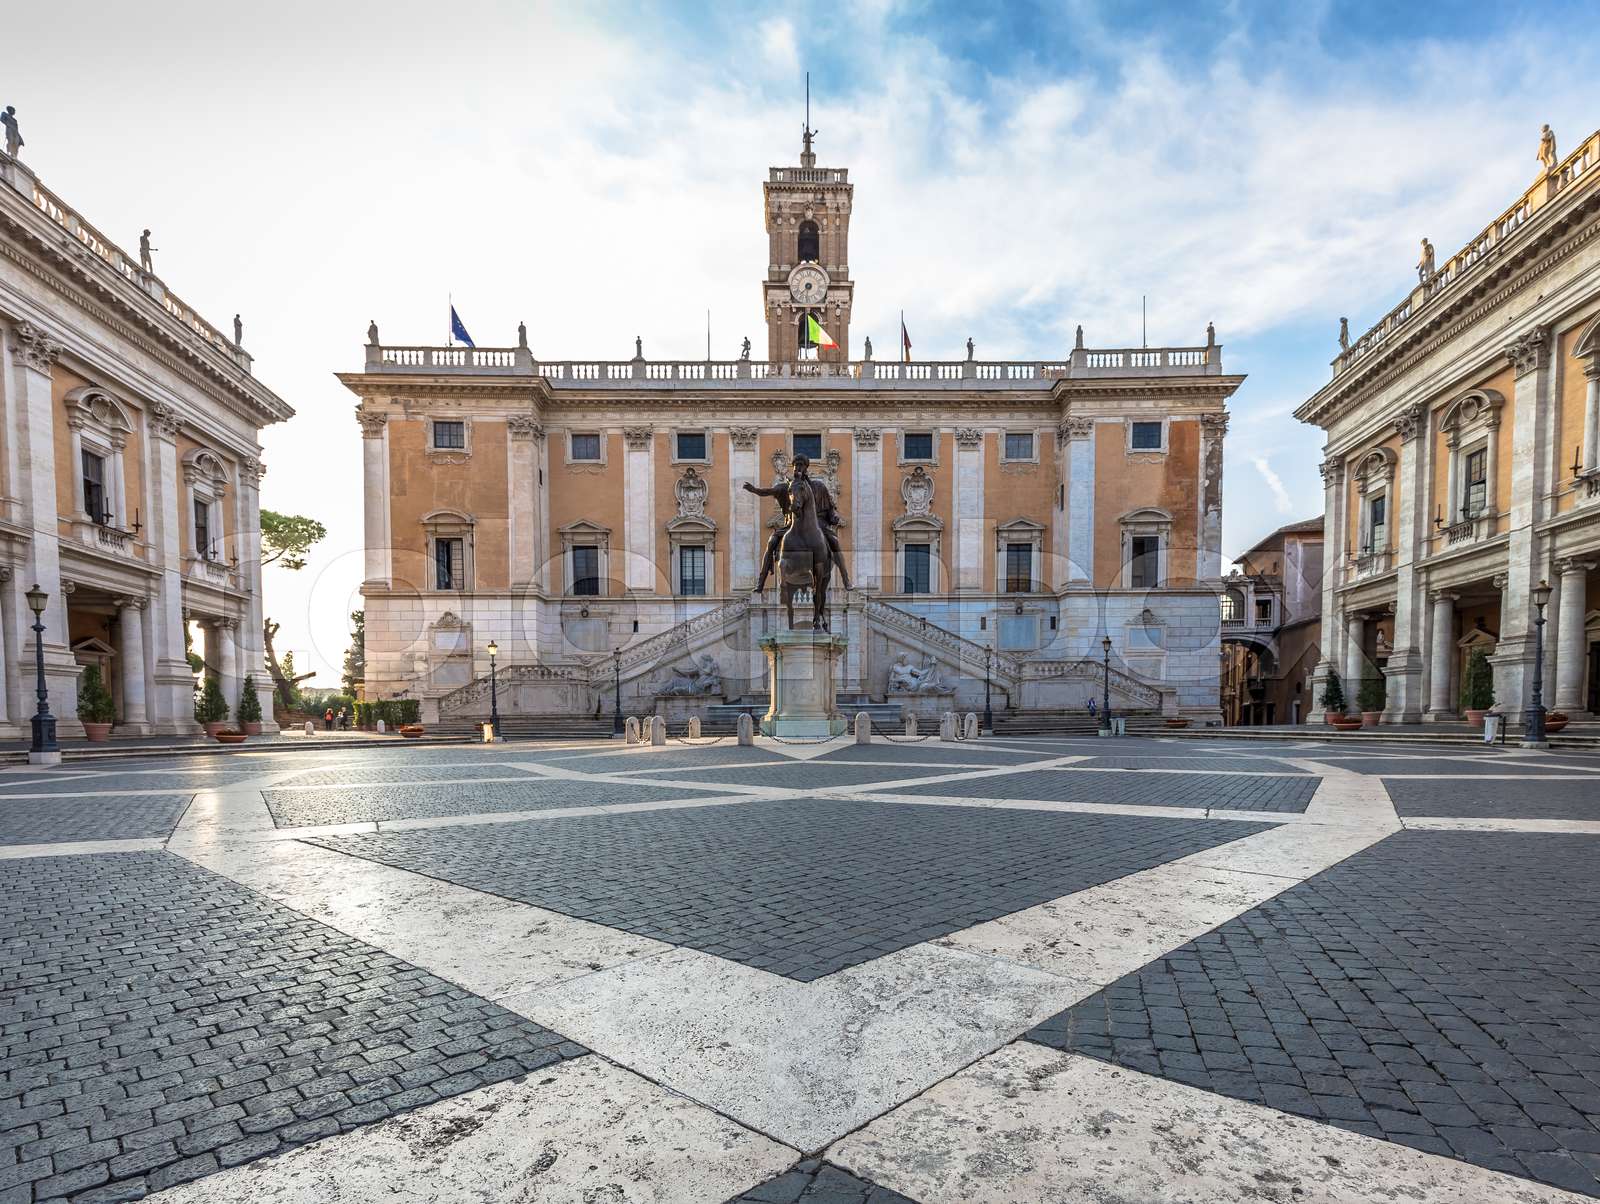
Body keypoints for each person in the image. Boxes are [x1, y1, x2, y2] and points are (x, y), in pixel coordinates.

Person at [743, 454, 850, 592]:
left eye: (801, 466)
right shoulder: (787, 487)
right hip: (791, 524)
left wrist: (833, 517)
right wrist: (755, 490)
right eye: (796, 466)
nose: (798, 468)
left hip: (818, 524)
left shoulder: (819, 486)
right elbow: (769, 491)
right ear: (793, 468)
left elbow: (830, 508)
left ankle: (846, 579)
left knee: (834, 542)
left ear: (806, 468)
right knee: (771, 542)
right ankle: (760, 583)